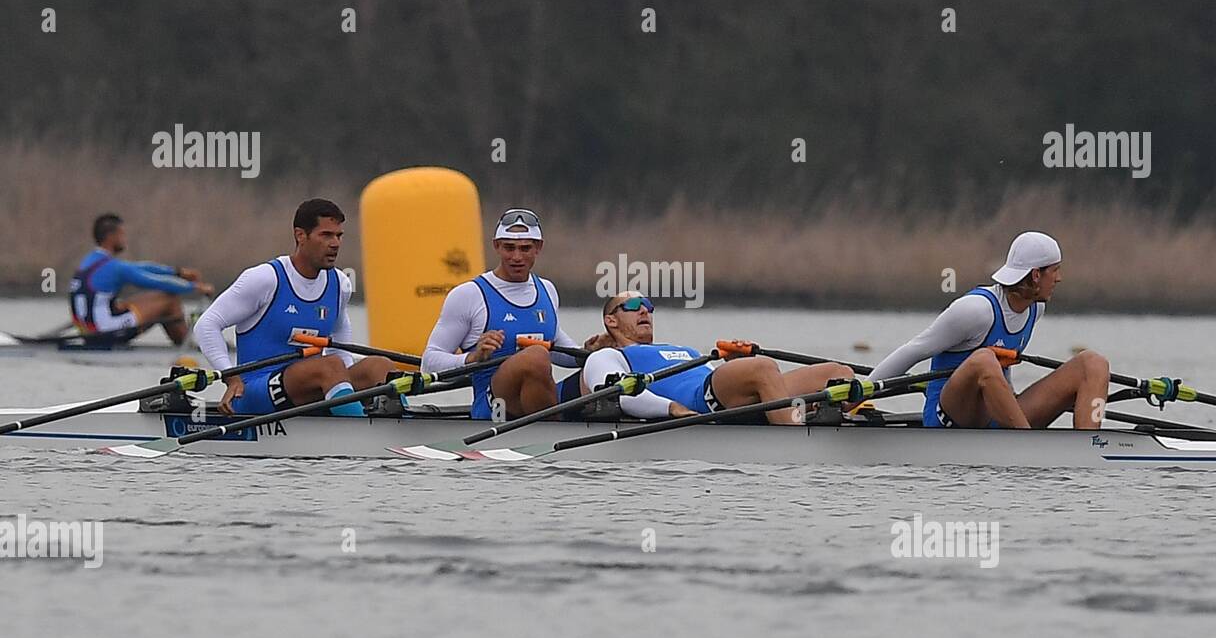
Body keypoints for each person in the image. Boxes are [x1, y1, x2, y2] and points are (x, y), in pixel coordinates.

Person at [866, 232, 1110, 429]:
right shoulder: (975, 310)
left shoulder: (1035, 310)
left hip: (997, 415)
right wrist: (862, 393)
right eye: (1055, 270)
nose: (1059, 278)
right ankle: (1027, 446)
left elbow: (1005, 365)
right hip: (950, 416)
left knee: (1093, 363)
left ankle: (1089, 447)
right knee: (984, 360)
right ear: (1036, 275)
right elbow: (913, 351)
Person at [193, 198, 398, 416]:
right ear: (301, 235)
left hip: (312, 386)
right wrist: (230, 376)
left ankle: (397, 427)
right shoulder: (265, 279)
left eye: (339, 236)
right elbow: (206, 325)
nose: (335, 243)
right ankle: (364, 438)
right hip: (254, 391)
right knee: (330, 366)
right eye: (326, 235)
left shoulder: (340, 284)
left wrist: (342, 380)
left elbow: (339, 337)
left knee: (381, 367)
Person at [421, 208, 596, 420]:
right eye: (509, 248)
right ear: (496, 246)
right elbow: (428, 363)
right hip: (493, 407)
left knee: (602, 364)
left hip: (533, 404)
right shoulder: (469, 295)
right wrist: (473, 358)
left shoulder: (547, 289)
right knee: (536, 356)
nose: (516, 257)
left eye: (525, 248)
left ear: (538, 248)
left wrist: (588, 353)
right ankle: (554, 433)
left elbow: (558, 349)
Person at [580, 292, 853, 424]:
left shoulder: (684, 349)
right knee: (763, 367)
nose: (643, 310)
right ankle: (796, 437)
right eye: (630, 306)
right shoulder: (609, 355)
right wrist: (672, 409)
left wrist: (733, 363)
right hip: (698, 402)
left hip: (721, 394)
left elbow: (722, 382)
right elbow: (615, 393)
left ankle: (831, 418)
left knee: (837, 373)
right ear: (610, 320)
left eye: (648, 306)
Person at [68, 213, 212, 344]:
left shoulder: (89, 262)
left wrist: (177, 273)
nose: (125, 239)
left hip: (87, 332)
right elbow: (155, 282)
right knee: (169, 299)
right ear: (111, 237)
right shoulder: (114, 267)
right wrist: (196, 287)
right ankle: (189, 348)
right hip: (106, 332)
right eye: (122, 234)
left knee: (127, 303)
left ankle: (186, 343)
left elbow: (141, 268)